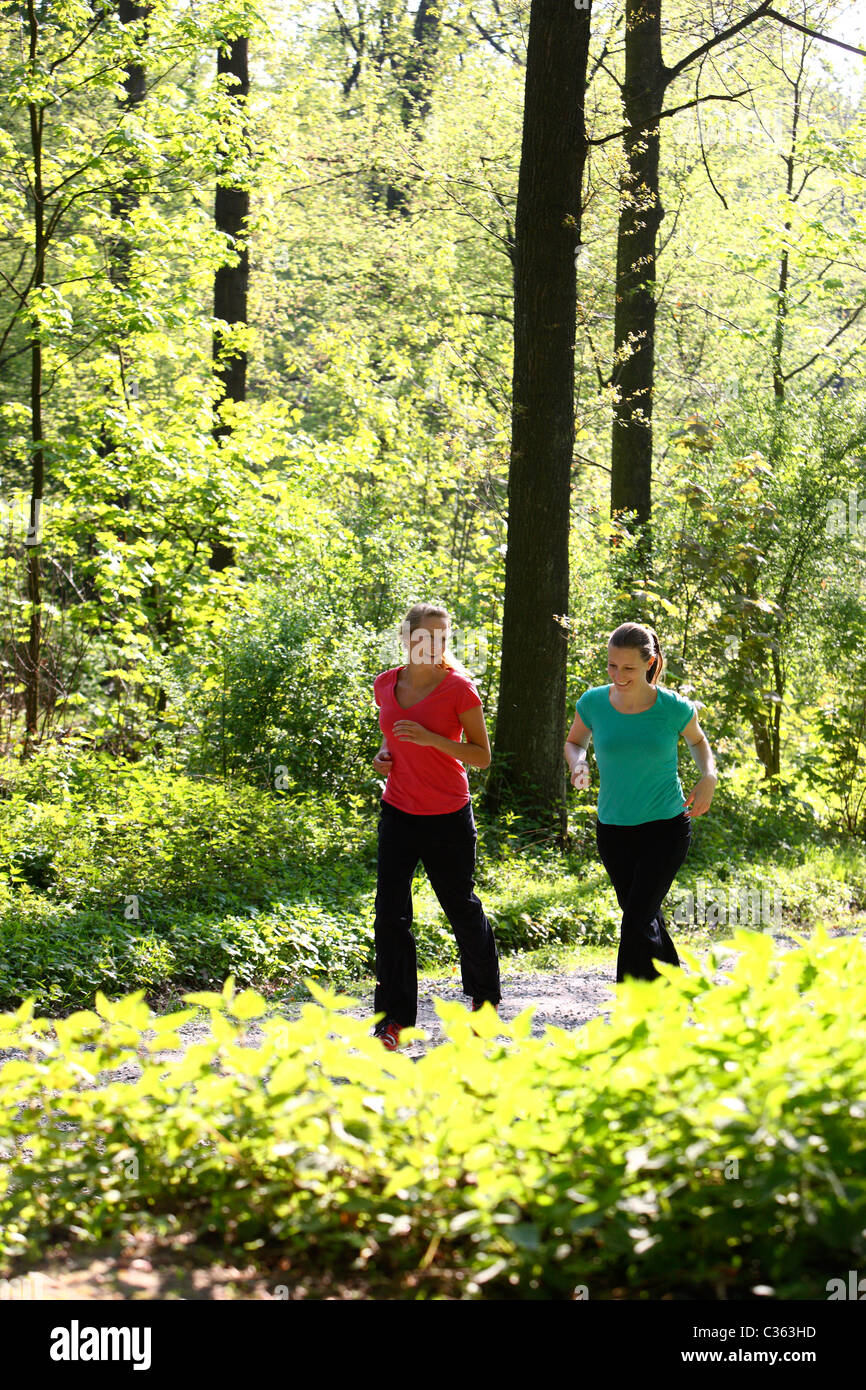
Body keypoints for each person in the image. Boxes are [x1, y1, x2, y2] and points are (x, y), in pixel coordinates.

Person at [370, 602, 501, 1050]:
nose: (435, 645)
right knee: (390, 915)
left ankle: (484, 1004)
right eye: (426, 636)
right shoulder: (385, 684)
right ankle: (394, 1021)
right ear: (407, 638)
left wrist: (433, 740)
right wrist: (382, 760)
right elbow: (390, 741)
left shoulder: (459, 690)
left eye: (443, 637)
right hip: (398, 812)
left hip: (447, 815)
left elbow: (482, 756)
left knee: (460, 908)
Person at [564, 622, 717, 983]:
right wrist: (578, 762)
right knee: (643, 916)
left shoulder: (673, 708)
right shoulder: (594, 703)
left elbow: (698, 742)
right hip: (613, 830)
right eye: (612, 666)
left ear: (650, 663)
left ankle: (632, 1010)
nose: (618, 675)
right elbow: (574, 742)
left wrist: (708, 775)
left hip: (665, 828)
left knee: (634, 919)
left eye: (628, 668)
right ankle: (671, 994)